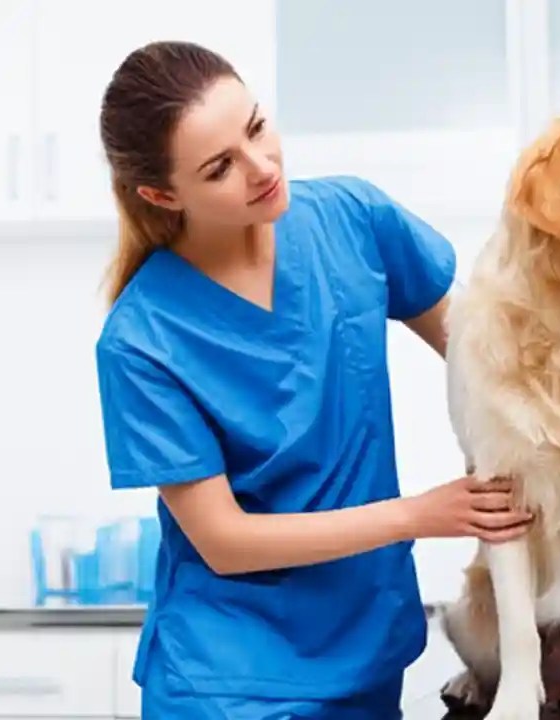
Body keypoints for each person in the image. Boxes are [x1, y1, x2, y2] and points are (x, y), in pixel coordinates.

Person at [92, 40, 533, 718]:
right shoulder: (142, 340)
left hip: (366, 656)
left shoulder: (354, 220)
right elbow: (225, 541)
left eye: (258, 127)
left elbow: (494, 362)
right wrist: (418, 515)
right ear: (162, 193)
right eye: (220, 168)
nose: (261, 166)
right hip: (230, 683)